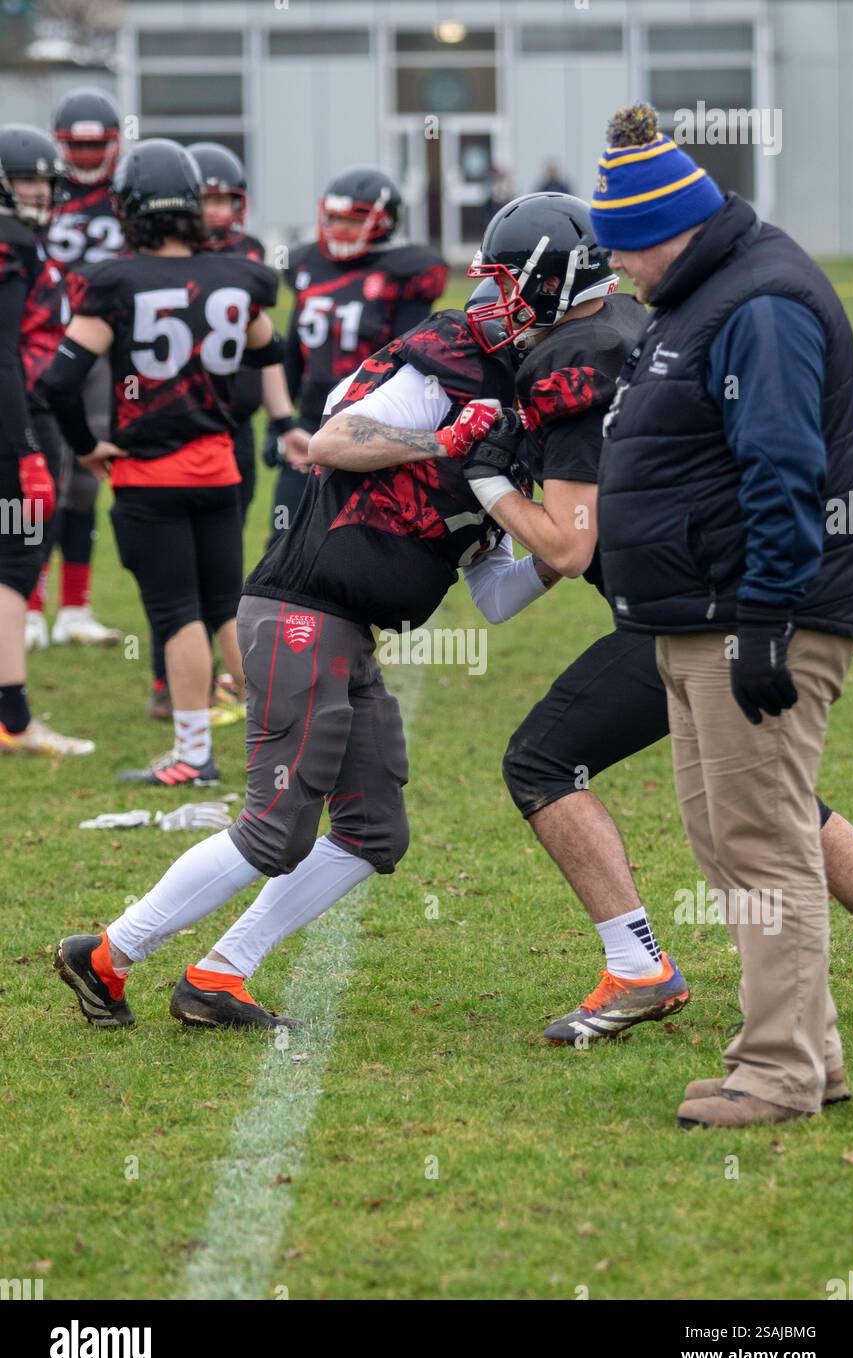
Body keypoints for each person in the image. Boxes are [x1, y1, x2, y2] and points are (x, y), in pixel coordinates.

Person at [52, 299, 558, 1030]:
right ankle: (106, 953)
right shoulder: (440, 385)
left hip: (346, 631)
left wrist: (566, 549)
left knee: (375, 831)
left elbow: (498, 597)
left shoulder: (501, 450)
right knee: (273, 830)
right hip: (301, 615)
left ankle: (217, 975)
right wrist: (445, 439)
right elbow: (331, 440)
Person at [460, 189, 853, 1059]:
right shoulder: (626, 331)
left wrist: (487, 485)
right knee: (778, 804)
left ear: (545, 277)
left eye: (503, 279)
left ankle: (641, 969)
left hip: (690, 612)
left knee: (540, 760)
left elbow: (570, 546)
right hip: (711, 600)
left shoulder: (572, 354)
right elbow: (531, 577)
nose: (494, 298)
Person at [591, 103, 853, 1128]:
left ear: (664, 232)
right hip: (697, 615)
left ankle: (780, 1072)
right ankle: (805, 1055)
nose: (616, 273)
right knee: (730, 843)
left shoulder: (760, 301)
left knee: (760, 847)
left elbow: (782, 465)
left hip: (753, 617)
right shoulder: (710, 292)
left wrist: (763, 617)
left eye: (622, 253)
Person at [41, 138, 295, 789]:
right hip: (220, 470)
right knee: (224, 605)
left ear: (129, 208)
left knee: (178, 615)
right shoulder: (240, 274)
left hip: (151, 480)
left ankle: (193, 753)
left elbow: (59, 383)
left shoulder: (113, 282)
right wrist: (284, 416)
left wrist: (86, 443)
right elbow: (274, 350)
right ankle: (279, 742)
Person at [144, 142, 294, 723]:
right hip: (176, 428)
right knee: (177, 570)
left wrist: (278, 418)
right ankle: (174, 683)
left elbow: (264, 341)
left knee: (220, 560)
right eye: (203, 199)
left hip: (233, 427)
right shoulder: (164, 260)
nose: (213, 211)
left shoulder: (247, 256)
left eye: (223, 199)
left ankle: (227, 679)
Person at [270, 166, 449, 542]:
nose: (338, 228)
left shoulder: (406, 270)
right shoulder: (308, 264)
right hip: (308, 423)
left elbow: (408, 362)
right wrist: (280, 428)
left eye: (350, 220)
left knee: (354, 543)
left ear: (383, 222)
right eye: (332, 217)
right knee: (284, 542)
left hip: (368, 421)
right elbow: (291, 354)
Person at [0, 123, 94, 757]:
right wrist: (26, 447)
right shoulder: (14, 244)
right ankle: (14, 720)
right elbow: (3, 354)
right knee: (14, 563)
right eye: (27, 179)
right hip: (14, 423)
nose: (39, 191)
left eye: (43, 180)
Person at [33, 86, 125, 649]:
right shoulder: (41, 190)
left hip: (105, 351)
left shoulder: (129, 193)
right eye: (78, 148)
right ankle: (27, 602)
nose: (87, 159)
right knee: (39, 476)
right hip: (43, 343)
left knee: (86, 481)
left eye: (97, 148)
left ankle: (74, 605)